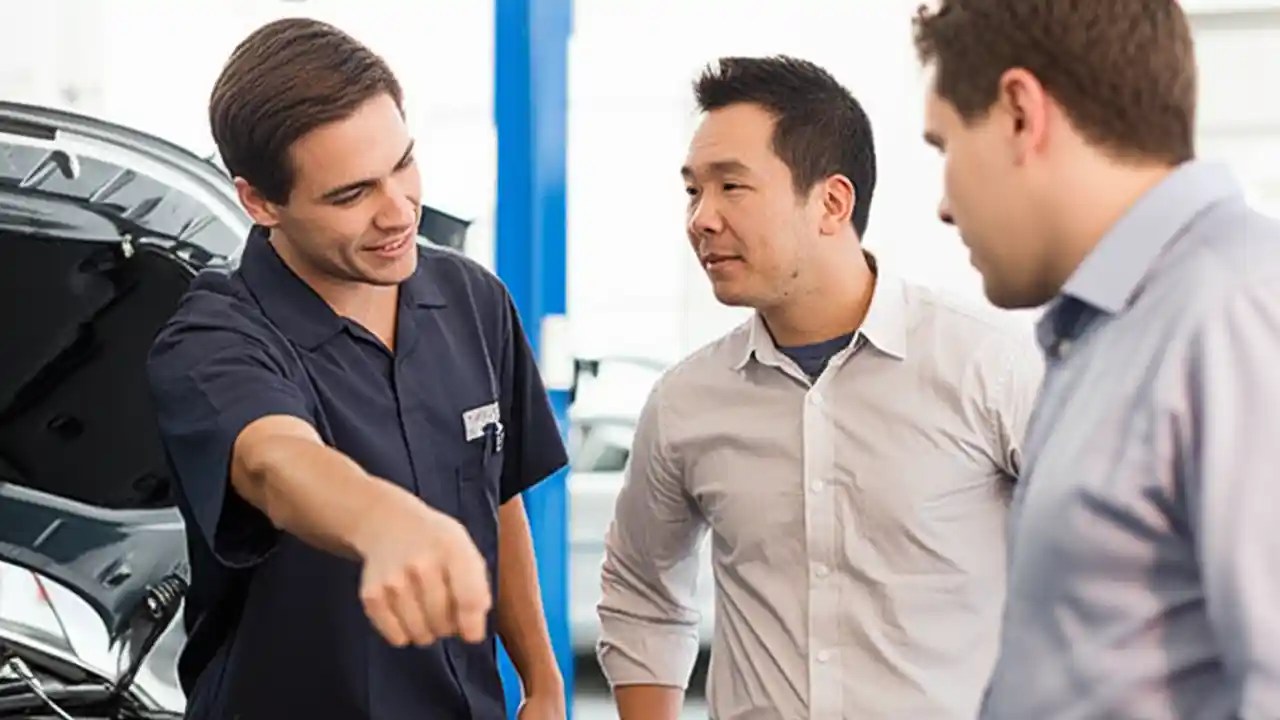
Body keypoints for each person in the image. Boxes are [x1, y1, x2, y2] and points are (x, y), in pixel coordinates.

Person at [596, 55, 1044, 720]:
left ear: (832, 202)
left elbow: (1112, 576)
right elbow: (641, 593)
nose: (701, 218)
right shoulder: (685, 404)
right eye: (693, 191)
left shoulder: (988, 367)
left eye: (732, 187)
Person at [145, 18, 567, 719]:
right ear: (259, 202)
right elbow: (275, 461)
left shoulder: (474, 300)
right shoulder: (211, 338)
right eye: (352, 194)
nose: (399, 211)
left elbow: (499, 496)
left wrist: (544, 682)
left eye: (403, 164)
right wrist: (381, 520)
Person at [913, 1, 1280, 718]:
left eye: (943, 146)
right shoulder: (1111, 330)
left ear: (1020, 113)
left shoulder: (1238, 312)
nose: (944, 206)